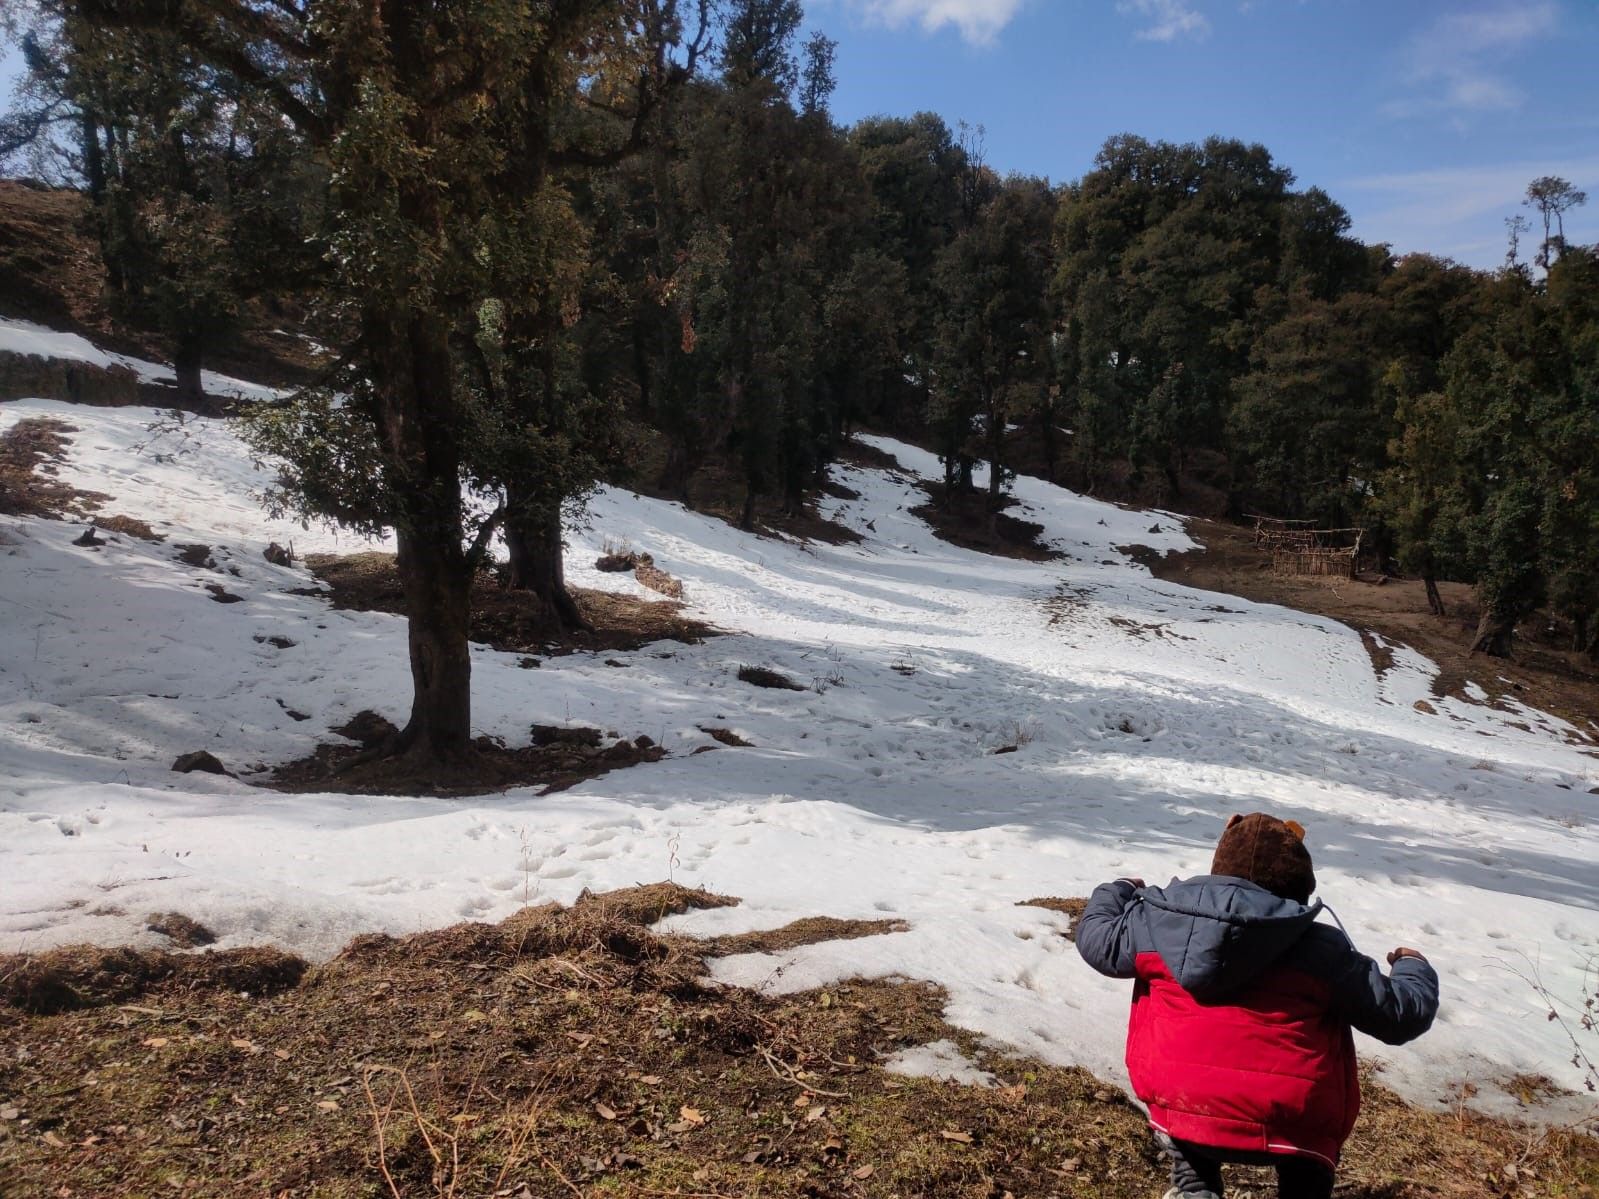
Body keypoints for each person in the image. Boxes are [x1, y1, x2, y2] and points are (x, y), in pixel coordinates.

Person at [1076, 812, 1439, 1199]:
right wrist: (1412, 966)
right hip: (1293, 1124)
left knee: (1193, 1141)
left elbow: (1097, 939)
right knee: (1305, 1169)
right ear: (1298, 882)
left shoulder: (1157, 923)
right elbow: (1400, 1015)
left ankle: (1194, 1188)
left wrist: (1117, 890)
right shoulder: (1322, 950)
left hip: (1181, 1106)